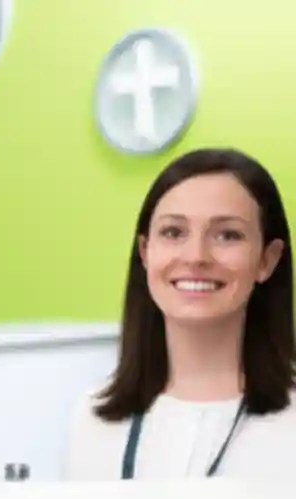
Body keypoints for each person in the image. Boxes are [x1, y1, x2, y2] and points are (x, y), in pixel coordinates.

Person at [64, 148, 296, 480]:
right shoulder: (92, 420)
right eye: (173, 233)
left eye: (227, 235)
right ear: (145, 253)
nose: (196, 255)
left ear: (267, 260)